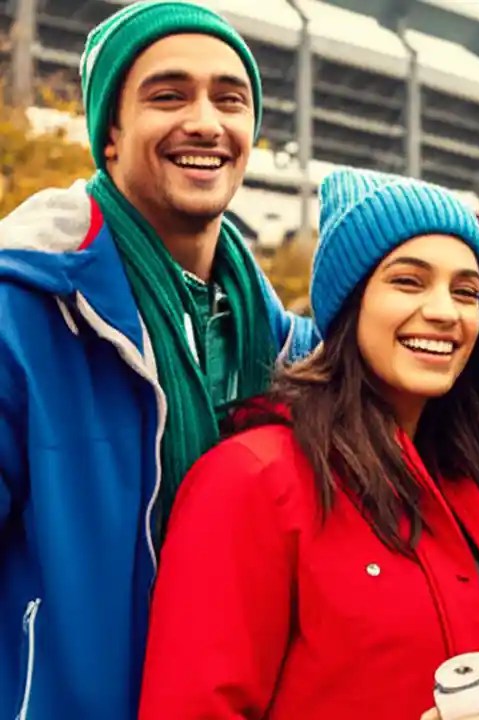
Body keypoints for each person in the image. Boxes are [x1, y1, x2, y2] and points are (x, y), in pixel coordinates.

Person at [0, 2, 314, 717]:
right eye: (168, 95)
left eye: (230, 100)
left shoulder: (295, 355)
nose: (206, 121)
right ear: (108, 136)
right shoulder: (24, 314)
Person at [139, 167, 479, 720]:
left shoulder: (466, 478)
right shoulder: (251, 481)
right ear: (349, 303)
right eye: (408, 281)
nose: (446, 311)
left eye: (466, 291)